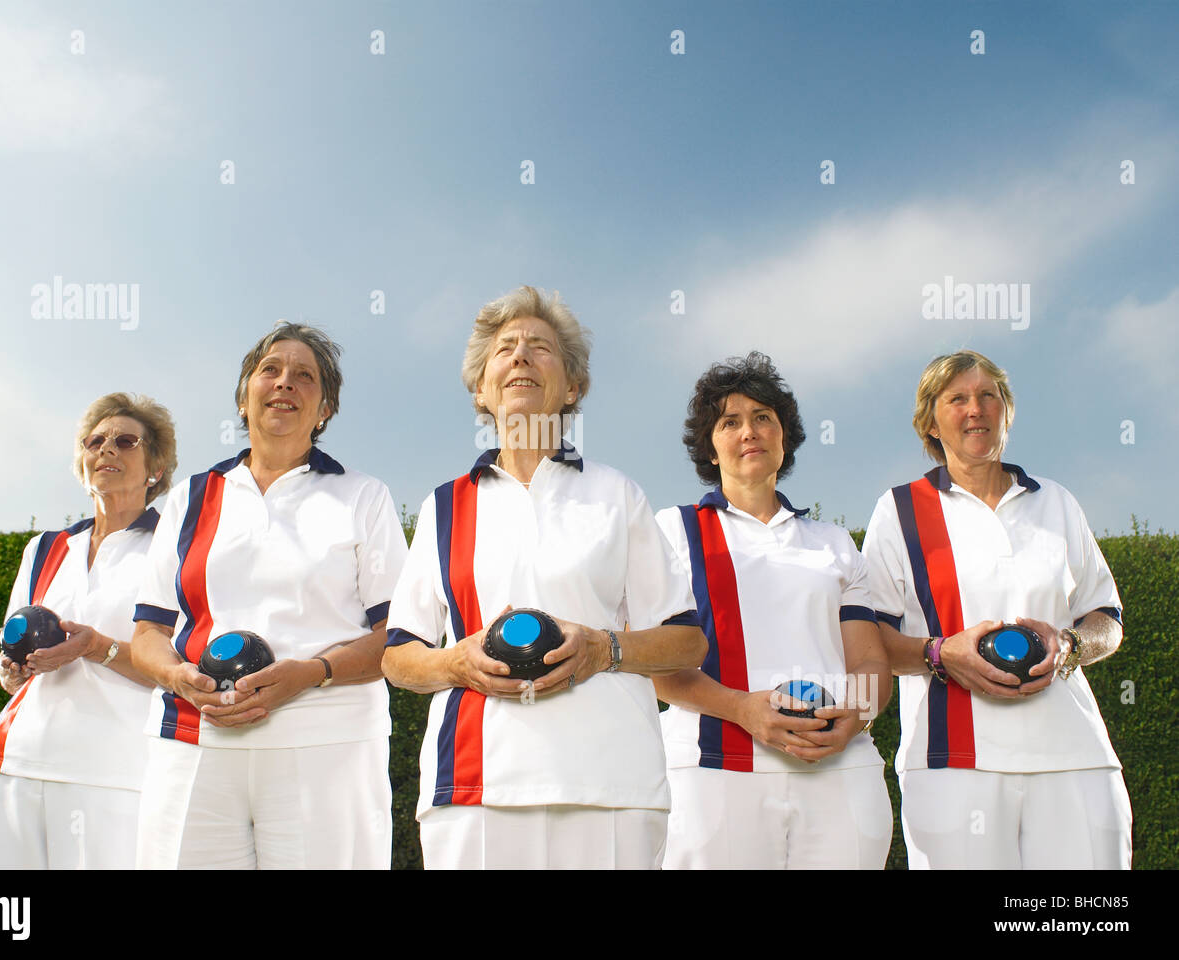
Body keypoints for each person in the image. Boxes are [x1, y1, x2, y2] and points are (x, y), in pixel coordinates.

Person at [382, 285, 706, 869]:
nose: (522, 356)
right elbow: (399, 656)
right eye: (505, 348)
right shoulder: (443, 507)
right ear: (481, 388)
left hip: (612, 787)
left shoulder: (618, 494)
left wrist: (602, 649)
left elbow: (686, 641)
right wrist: (456, 662)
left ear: (573, 386)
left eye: (541, 348)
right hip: (473, 791)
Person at [130, 322, 407, 869]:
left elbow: (397, 638)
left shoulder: (364, 496)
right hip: (194, 742)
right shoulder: (190, 497)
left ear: (325, 408)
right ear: (243, 394)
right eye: (270, 370)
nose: (285, 383)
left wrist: (311, 673)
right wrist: (174, 676)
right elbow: (148, 633)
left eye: (305, 376)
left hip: (327, 746)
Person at [861, 349, 1131, 869]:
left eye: (989, 396)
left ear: (1007, 412)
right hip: (951, 764)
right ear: (930, 421)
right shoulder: (899, 510)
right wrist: (942, 653)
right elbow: (869, 639)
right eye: (956, 398)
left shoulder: (1057, 501)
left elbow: (1107, 619)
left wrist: (1071, 644)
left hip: (1076, 758)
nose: (975, 409)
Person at [653, 354, 892, 869]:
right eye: (729, 422)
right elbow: (657, 667)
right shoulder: (671, 531)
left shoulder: (833, 543)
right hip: (711, 772)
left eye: (764, 417)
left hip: (840, 772)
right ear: (710, 449)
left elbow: (871, 664)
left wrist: (857, 719)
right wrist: (743, 710)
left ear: (785, 437)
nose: (749, 431)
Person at [0, 392, 176, 869]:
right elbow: (9, 658)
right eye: (95, 440)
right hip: (13, 765)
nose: (107, 449)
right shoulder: (44, 549)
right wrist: (10, 670)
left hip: (116, 775)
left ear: (156, 468)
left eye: (126, 441)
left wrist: (98, 649)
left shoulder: (176, 551)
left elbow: (183, 670)